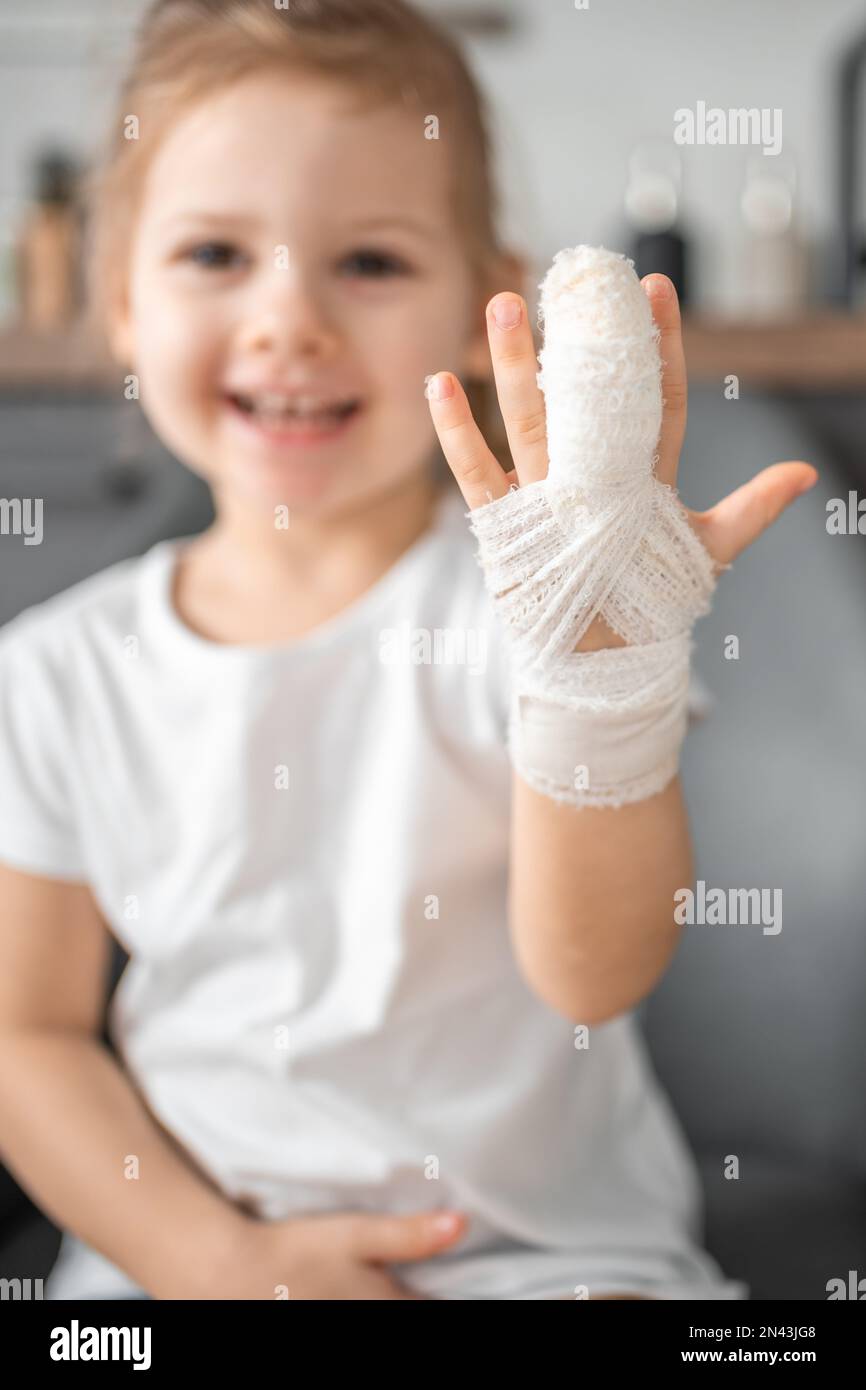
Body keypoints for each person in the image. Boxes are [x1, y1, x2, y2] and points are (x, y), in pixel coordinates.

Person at [0, 0, 815, 1301]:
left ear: (477, 306)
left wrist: (596, 674)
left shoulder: (541, 610)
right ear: (116, 303)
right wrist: (218, 1262)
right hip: (188, 1266)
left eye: (369, 263)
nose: (289, 319)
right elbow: (26, 1038)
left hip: (538, 1261)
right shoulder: (53, 673)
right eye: (215, 252)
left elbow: (591, 969)